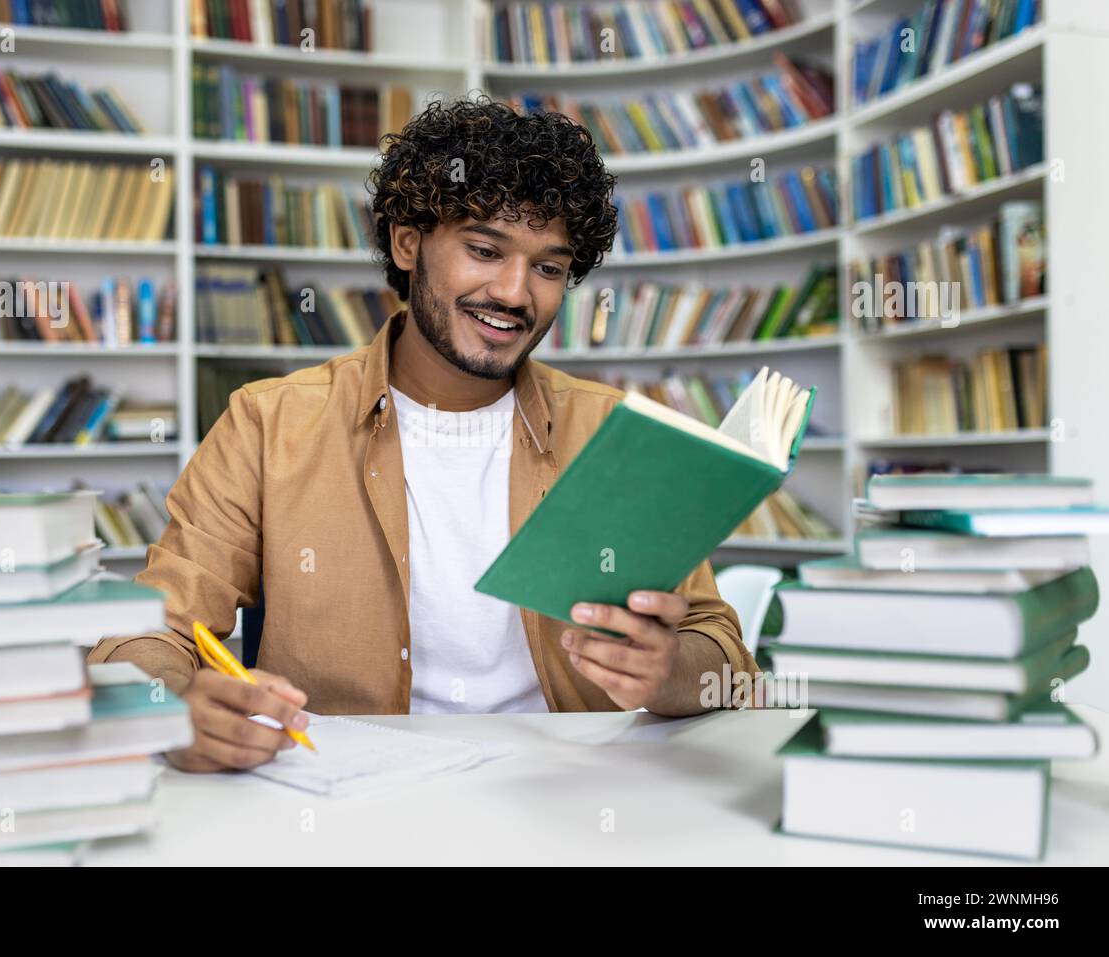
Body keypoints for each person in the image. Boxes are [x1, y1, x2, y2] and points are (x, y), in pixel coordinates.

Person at [88, 95, 758, 773]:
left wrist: (668, 668)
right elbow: (150, 630)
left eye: (549, 267)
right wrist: (176, 703)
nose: (515, 292)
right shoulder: (269, 423)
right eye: (484, 249)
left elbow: (722, 653)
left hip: (570, 798)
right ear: (408, 242)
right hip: (342, 801)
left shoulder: (610, 431)